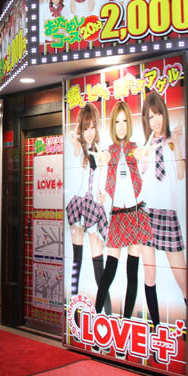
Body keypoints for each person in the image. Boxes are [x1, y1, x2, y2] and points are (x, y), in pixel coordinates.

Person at [94, 101, 153, 319]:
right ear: (112, 124)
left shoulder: (133, 149)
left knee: (132, 272)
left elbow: (140, 154)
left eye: (125, 121)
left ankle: (126, 320)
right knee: (110, 269)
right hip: (118, 215)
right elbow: (104, 157)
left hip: (136, 215)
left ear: (129, 123)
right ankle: (97, 312)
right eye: (117, 121)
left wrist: (144, 153)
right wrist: (101, 158)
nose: (121, 125)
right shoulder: (109, 151)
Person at [136, 92, 187, 328]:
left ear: (164, 114)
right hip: (146, 213)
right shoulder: (145, 146)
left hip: (167, 214)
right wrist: (142, 156)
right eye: (150, 117)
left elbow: (179, 173)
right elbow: (140, 180)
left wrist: (176, 145)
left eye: (158, 115)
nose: (155, 120)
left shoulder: (173, 141)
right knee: (149, 274)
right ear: (146, 121)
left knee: (181, 275)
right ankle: (156, 328)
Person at [64, 102, 109, 313]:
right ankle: (74, 310)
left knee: (98, 264)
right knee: (77, 261)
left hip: (93, 208)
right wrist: (76, 137)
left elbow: (106, 186)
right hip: (78, 206)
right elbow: (73, 146)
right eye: (86, 127)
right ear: (80, 129)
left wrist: (104, 196)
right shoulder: (77, 150)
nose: (89, 132)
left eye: (92, 127)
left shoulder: (101, 151)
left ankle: (106, 313)